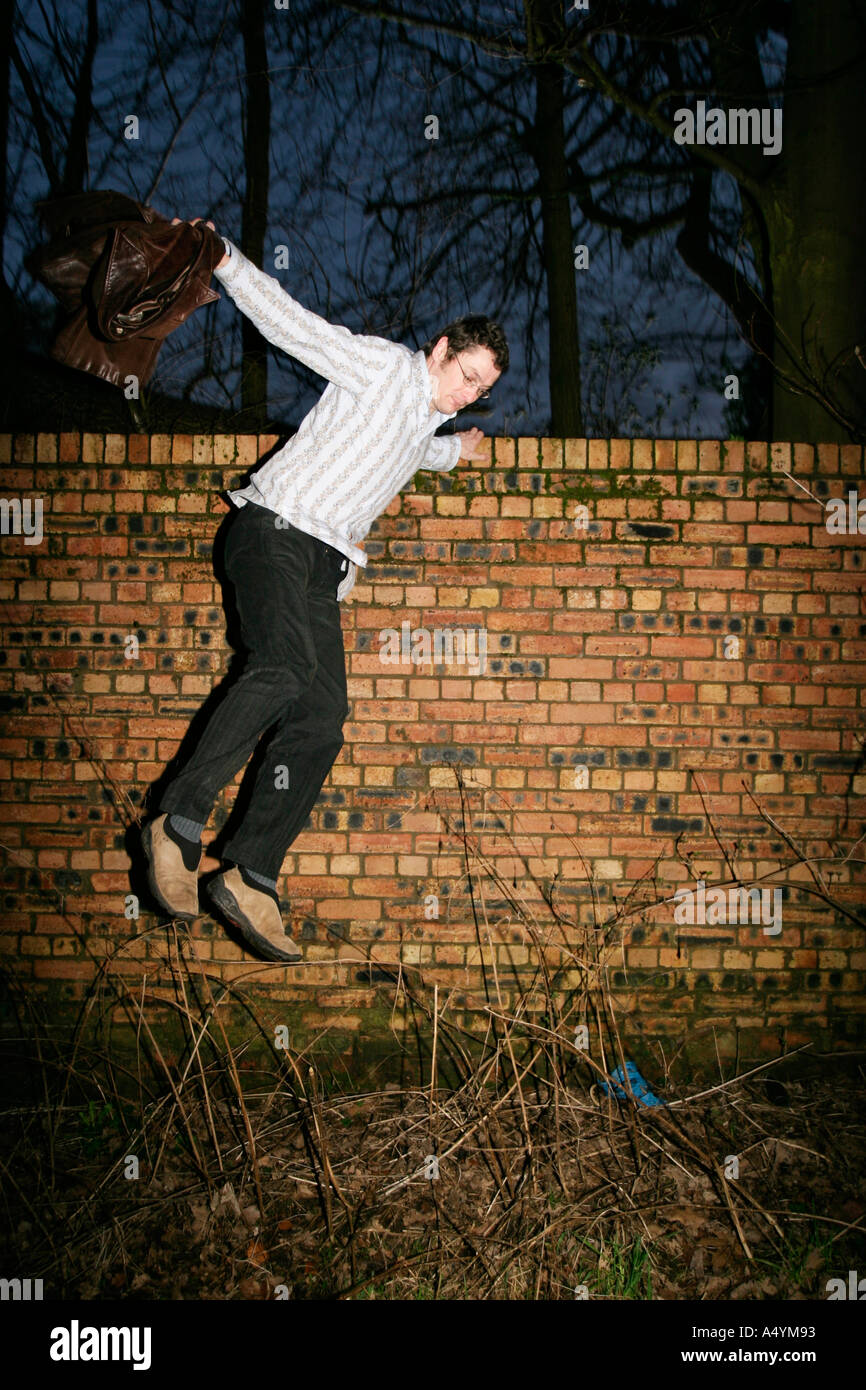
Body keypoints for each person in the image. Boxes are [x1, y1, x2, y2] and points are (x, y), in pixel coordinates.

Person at [142, 220, 509, 964]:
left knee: (325, 713)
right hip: (273, 530)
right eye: (464, 377)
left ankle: (250, 873)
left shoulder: (424, 422)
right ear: (438, 350)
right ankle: (177, 823)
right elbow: (291, 325)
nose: (467, 396)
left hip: (319, 565)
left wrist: (457, 451)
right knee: (278, 668)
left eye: (481, 391)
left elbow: (420, 451)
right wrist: (228, 260)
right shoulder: (380, 368)